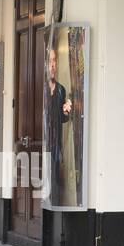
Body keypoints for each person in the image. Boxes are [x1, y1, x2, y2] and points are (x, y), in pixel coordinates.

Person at [42, 46, 73, 206]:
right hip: (42, 146)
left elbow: (62, 119)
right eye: (50, 61)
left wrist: (67, 111)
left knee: (54, 185)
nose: (53, 65)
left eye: (55, 61)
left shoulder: (61, 89)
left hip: (55, 147)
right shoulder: (41, 89)